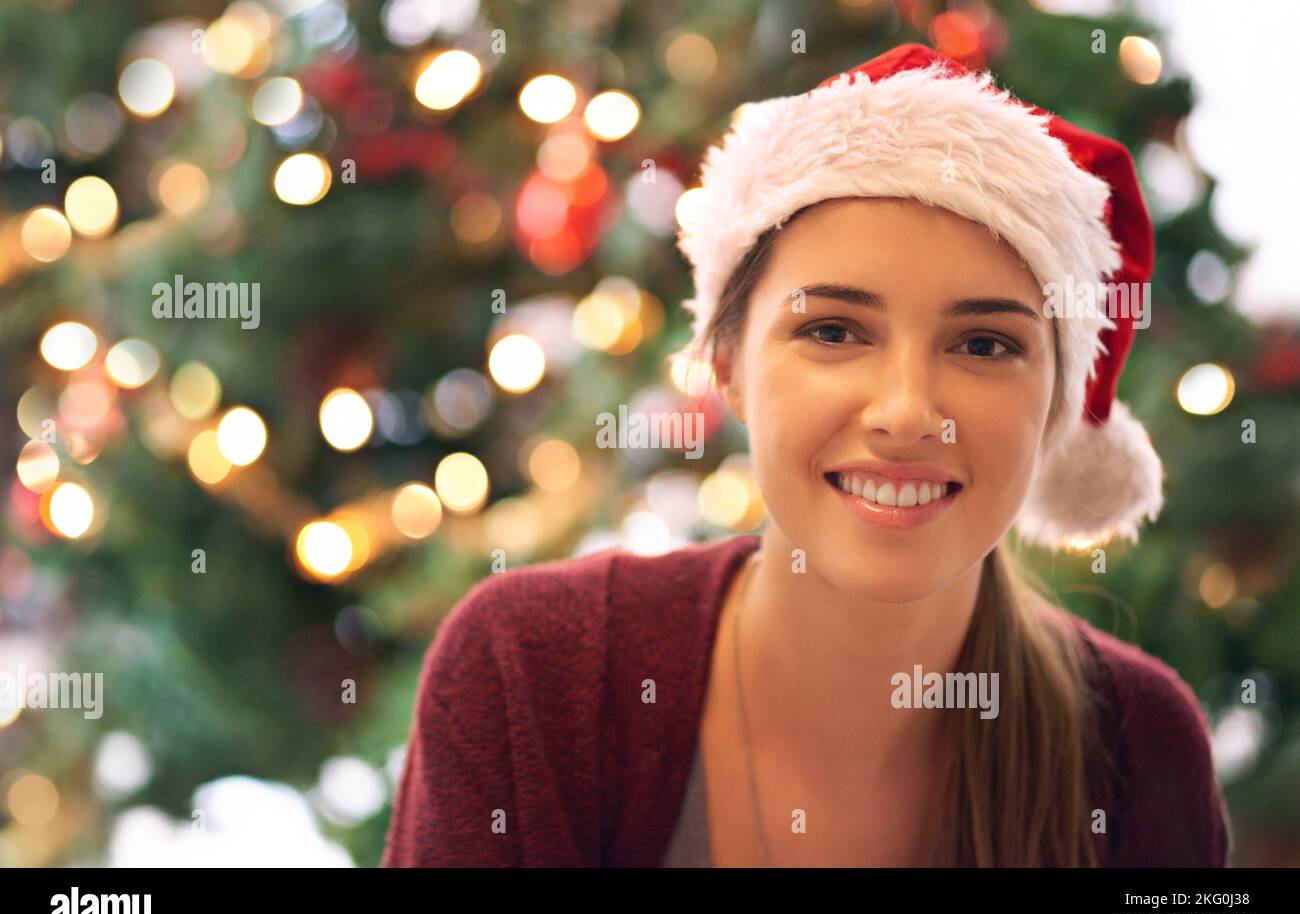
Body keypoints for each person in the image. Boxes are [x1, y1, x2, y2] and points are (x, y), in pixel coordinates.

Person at [383, 43, 1231, 867]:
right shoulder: (533, 673)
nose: (906, 413)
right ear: (727, 366)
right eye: (831, 330)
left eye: (983, 344)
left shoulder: (1139, 749)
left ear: (1056, 405)